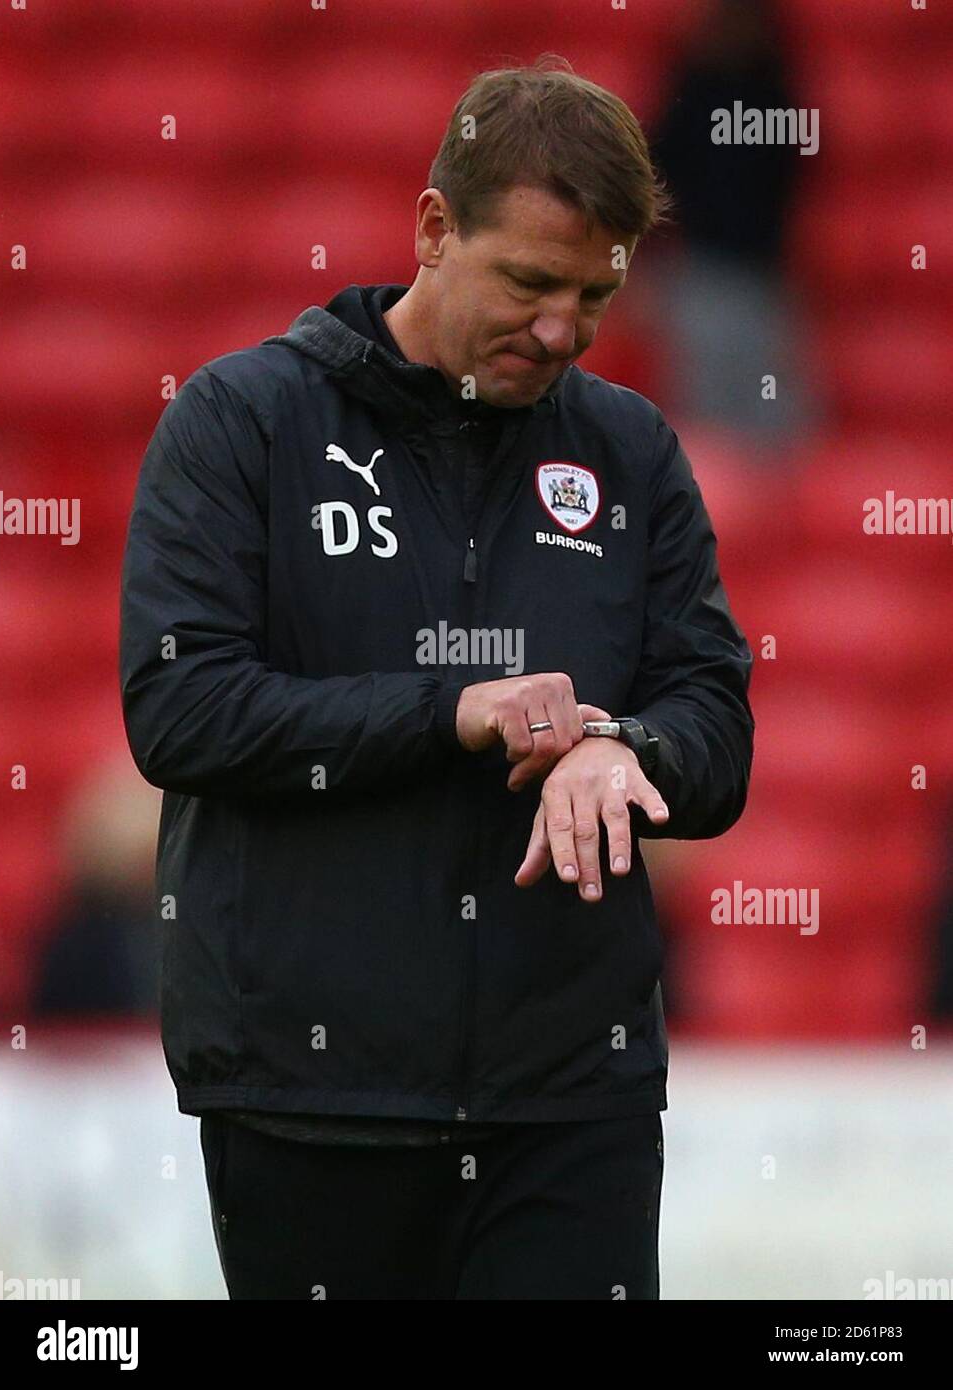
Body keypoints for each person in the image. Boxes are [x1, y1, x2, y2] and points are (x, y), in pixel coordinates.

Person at [120, 57, 754, 1300]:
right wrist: (452, 710)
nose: (562, 330)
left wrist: (625, 746)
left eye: (596, 293)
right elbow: (181, 710)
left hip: (571, 1103)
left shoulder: (630, 452)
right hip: (314, 1097)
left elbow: (716, 721)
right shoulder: (243, 423)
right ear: (432, 230)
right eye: (528, 283)